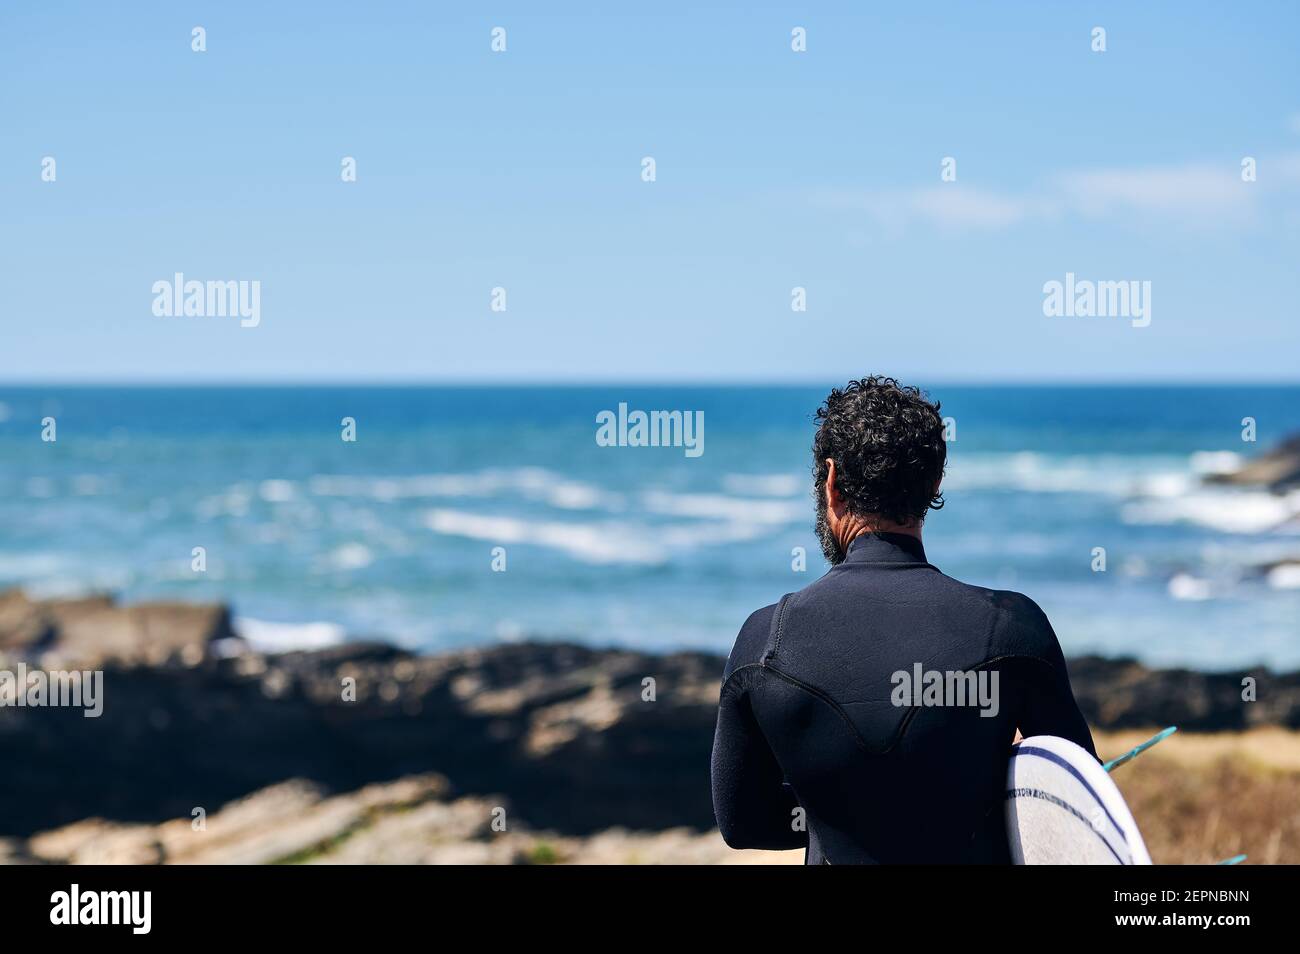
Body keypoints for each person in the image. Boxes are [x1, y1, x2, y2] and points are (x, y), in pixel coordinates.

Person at [710, 376, 1097, 864]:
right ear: (934, 483)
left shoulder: (765, 641)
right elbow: (1074, 804)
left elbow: (743, 822)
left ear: (830, 483)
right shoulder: (1015, 629)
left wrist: (842, 811)